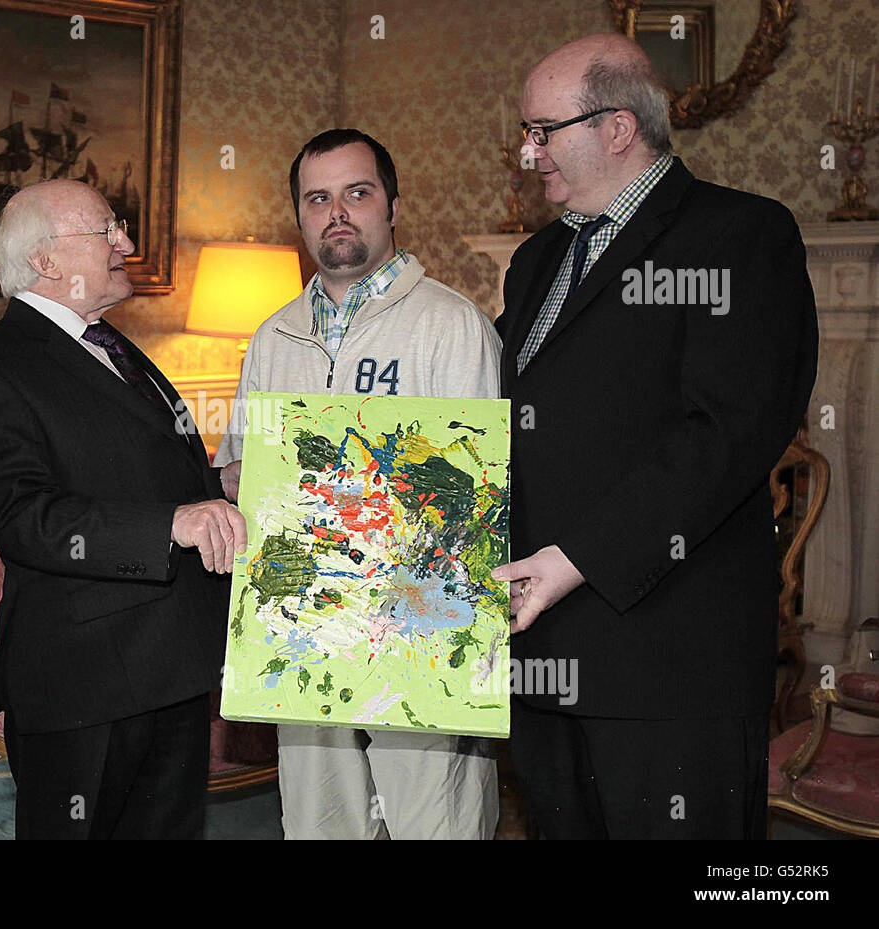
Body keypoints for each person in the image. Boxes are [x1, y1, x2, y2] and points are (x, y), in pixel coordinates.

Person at [492, 34, 818, 839]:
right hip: (542, 654)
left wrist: (574, 561)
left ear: (617, 128)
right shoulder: (536, 259)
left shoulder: (741, 236)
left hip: (670, 666)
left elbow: (729, 434)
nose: (529, 154)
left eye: (542, 130)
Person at [215, 129, 503, 839]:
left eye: (357, 193)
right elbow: (234, 468)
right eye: (318, 198)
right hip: (306, 631)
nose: (336, 212)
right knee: (321, 825)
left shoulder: (451, 325)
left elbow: (476, 498)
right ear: (302, 217)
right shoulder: (273, 336)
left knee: (434, 825)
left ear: (393, 205)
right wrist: (255, 479)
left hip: (422, 631)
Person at [0, 179, 246, 840]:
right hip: (84, 685)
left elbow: (132, 470)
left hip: (173, 667)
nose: (127, 244)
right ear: (46, 261)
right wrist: (174, 523)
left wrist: (219, 482)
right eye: (107, 230)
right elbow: (24, 516)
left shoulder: (111, 344)